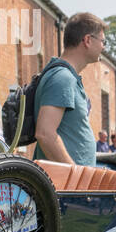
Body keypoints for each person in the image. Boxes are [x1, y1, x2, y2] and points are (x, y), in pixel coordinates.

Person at [34, 12, 105, 166]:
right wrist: (75, 175)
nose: (103, 47)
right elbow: (45, 134)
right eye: (102, 41)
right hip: (66, 186)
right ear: (87, 40)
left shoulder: (67, 77)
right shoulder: (62, 78)